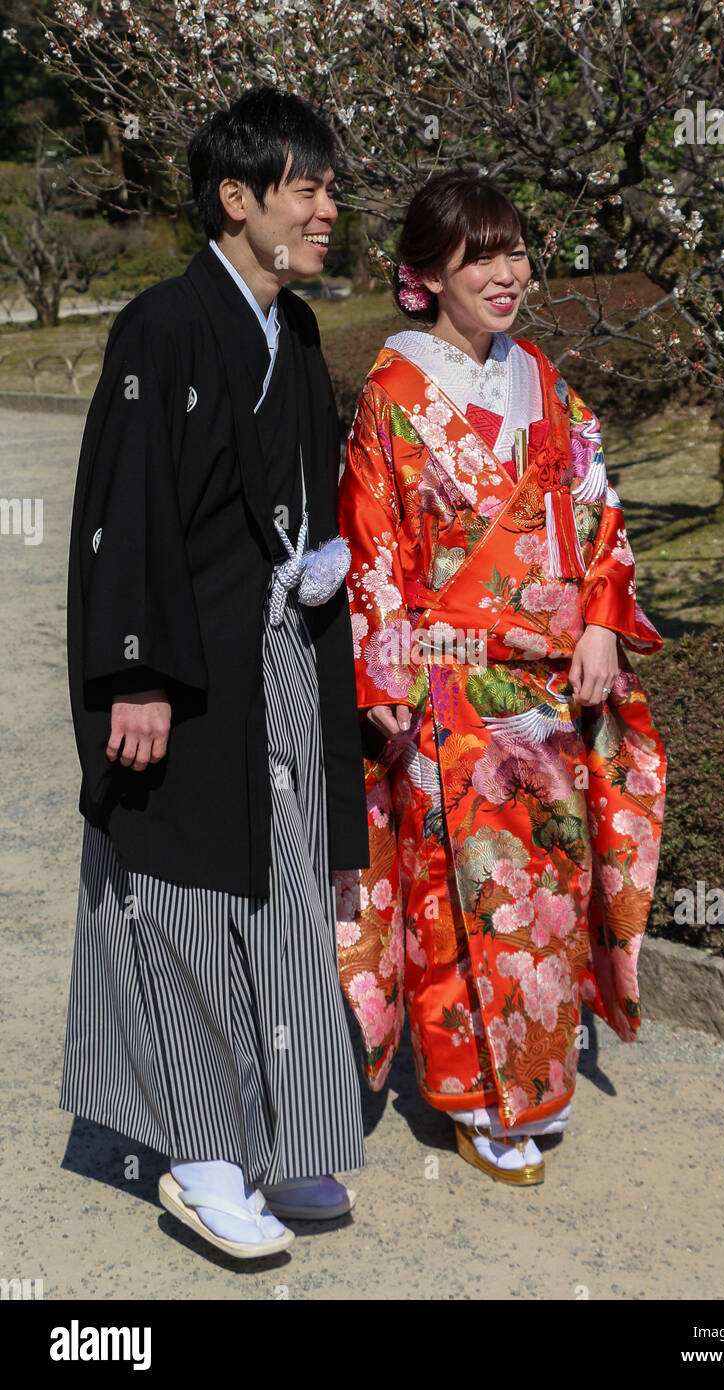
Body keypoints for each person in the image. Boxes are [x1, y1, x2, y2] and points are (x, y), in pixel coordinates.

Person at [61, 87, 369, 1257]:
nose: (327, 208)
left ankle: (279, 1137)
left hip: (275, 653)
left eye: (329, 186)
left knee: (285, 899)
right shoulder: (162, 327)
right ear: (236, 199)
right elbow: (121, 510)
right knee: (183, 904)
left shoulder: (290, 334)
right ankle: (199, 1154)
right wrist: (133, 672)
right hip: (182, 673)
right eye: (307, 186)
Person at [335, 172, 667, 1184]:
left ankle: (536, 1079)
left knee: (546, 885)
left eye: (515, 250)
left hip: (547, 689)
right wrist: (384, 658)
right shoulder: (391, 395)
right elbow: (369, 545)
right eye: (480, 255)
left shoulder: (545, 382)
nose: (505, 273)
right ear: (425, 274)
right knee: (465, 893)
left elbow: (598, 511)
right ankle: (476, 1096)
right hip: (445, 687)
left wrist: (604, 620)